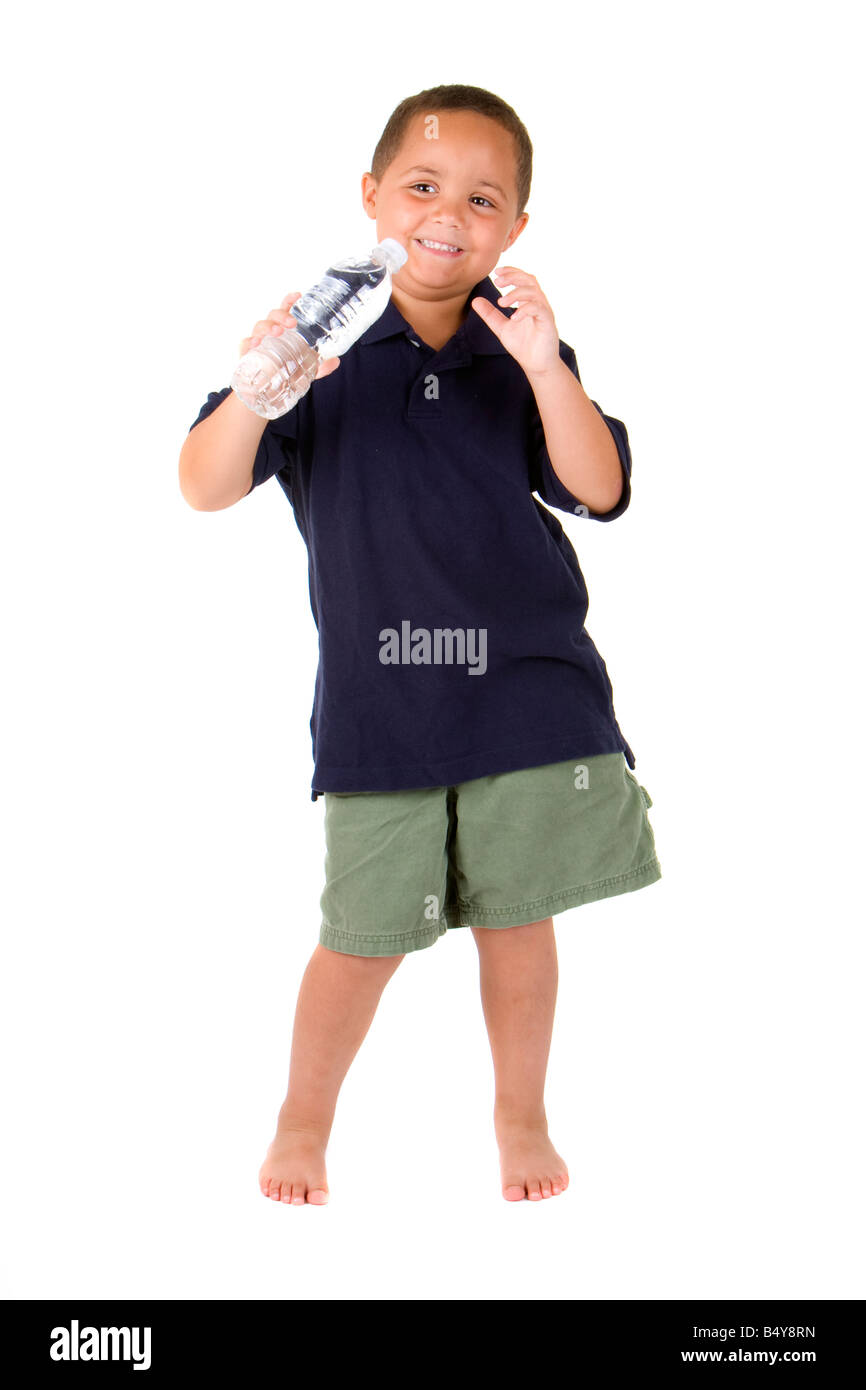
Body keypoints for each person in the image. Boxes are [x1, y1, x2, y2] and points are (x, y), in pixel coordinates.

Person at [179, 84, 662, 1205]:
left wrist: (546, 366)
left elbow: (600, 488)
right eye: (422, 186)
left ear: (514, 229)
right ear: (371, 196)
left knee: (517, 918)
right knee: (359, 937)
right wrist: (259, 389)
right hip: (382, 701)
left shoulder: (519, 344)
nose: (449, 213)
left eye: (482, 199)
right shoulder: (318, 342)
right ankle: (302, 1122)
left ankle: (518, 1114)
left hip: (529, 693)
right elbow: (202, 485)